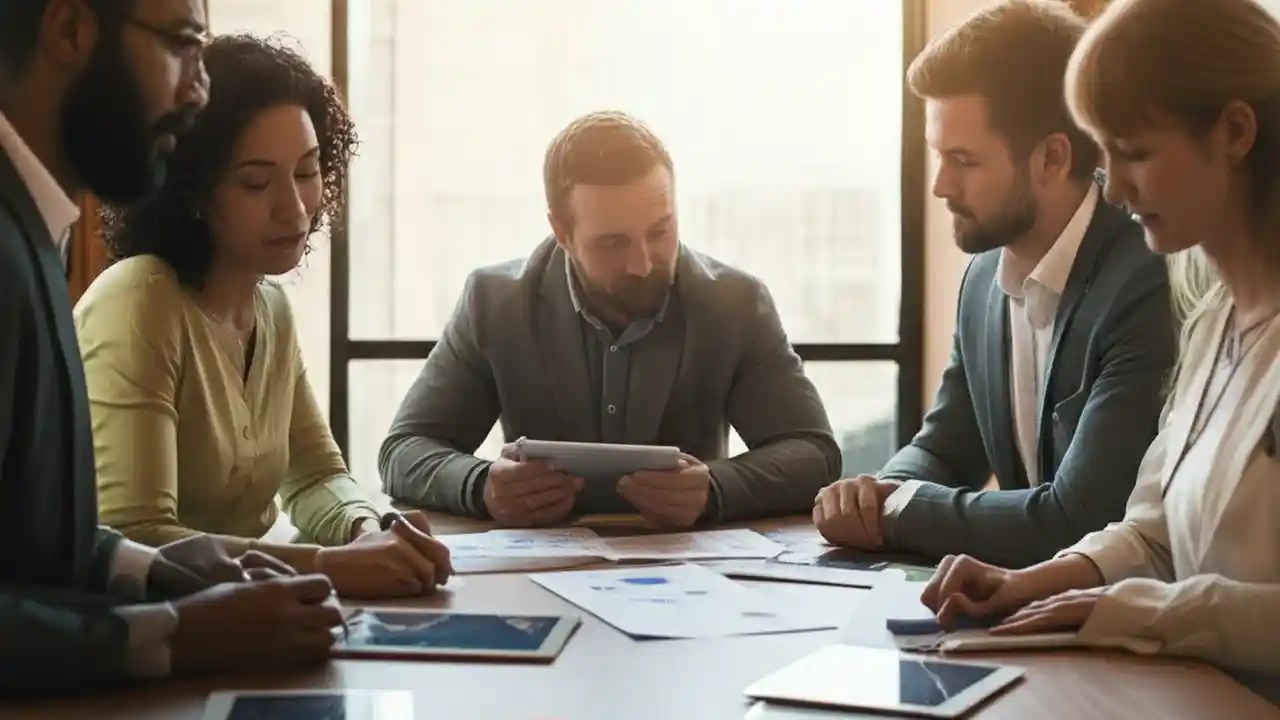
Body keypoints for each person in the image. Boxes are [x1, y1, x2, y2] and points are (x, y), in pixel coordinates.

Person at [920, 0, 1280, 699]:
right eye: (1103, 151)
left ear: (1235, 131)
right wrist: (1027, 584)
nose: (1110, 185)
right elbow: (1151, 534)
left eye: (1134, 151)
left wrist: (1135, 611)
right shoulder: (1212, 324)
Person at [0, 0, 344, 697]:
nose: (199, 89)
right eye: (185, 44)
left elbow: (33, 545)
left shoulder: (37, 234)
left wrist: (165, 575)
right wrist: (171, 633)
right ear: (71, 31)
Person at [74, 34, 452, 600]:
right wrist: (330, 564)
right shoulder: (139, 300)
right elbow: (136, 538)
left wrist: (367, 531)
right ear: (194, 191)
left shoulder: (269, 307)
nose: (296, 208)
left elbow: (317, 475)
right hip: (141, 641)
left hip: (240, 621)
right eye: (256, 181)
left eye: (307, 171)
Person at [813, 0, 1177, 567]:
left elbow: (1077, 521)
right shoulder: (982, 280)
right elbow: (945, 447)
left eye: (963, 160)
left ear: (1052, 158)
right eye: (938, 156)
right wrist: (873, 494)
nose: (939, 185)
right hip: (1019, 618)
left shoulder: (1143, 282)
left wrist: (897, 510)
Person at [380, 111, 840, 528]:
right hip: (538, 578)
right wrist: (480, 485)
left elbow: (814, 453)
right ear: (562, 231)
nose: (643, 263)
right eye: (613, 243)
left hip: (687, 577)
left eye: (661, 231)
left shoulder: (735, 303)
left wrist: (716, 488)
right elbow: (403, 451)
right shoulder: (494, 302)